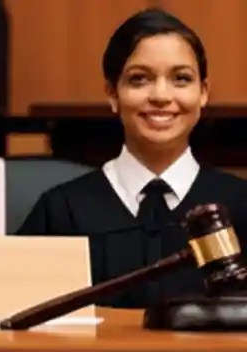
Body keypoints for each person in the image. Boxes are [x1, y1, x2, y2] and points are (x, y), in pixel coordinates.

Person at [17, 9, 247, 309]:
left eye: (181, 79)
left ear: (203, 93)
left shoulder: (241, 204)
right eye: (139, 79)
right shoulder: (62, 211)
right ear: (113, 94)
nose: (161, 95)